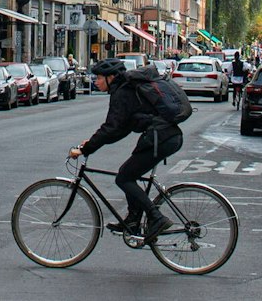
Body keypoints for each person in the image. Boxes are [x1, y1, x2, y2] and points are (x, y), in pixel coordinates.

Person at [69, 58, 184, 241]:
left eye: (99, 78)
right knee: (128, 174)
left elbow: (111, 127)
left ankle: (156, 218)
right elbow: (121, 128)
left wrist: (87, 149)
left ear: (111, 77)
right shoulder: (126, 90)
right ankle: (133, 220)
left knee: (124, 177)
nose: (96, 82)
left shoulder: (122, 93)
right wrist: (91, 143)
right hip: (165, 137)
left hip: (161, 138)